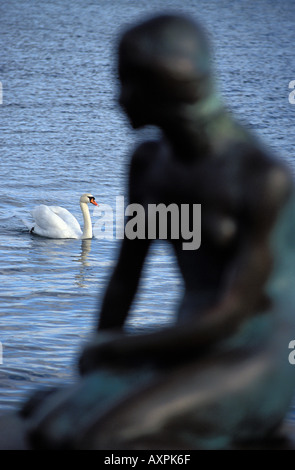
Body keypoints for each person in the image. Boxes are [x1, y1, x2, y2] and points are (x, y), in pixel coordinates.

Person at [3, 13, 295, 450]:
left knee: (104, 438)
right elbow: (125, 277)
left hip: (250, 355)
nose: (118, 98)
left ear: (169, 86)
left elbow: (233, 315)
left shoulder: (258, 177)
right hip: (186, 343)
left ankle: (251, 424)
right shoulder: (150, 165)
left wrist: (124, 351)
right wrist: (101, 346)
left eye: (127, 83)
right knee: (45, 416)